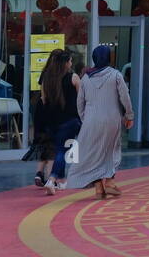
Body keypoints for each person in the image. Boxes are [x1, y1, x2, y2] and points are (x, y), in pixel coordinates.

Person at [67, 45, 133, 199]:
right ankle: (109, 182)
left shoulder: (85, 78)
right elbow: (125, 97)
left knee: (93, 153)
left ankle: (98, 188)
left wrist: (86, 118)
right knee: (112, 149)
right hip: (112, 118)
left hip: (91, 119)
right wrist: (129, 115)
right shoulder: (115, 75)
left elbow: (80, 103)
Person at [32, 49, 82, 195]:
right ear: (66, 63)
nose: (71, 63)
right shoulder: (73, 78)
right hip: (70, 121)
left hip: (52, 120)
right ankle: (52, 180)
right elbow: (82, 100)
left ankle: (60, 180)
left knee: (57, 150)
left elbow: (43, 99)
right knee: (62, 151)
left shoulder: (47, 77)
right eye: (70, 60)